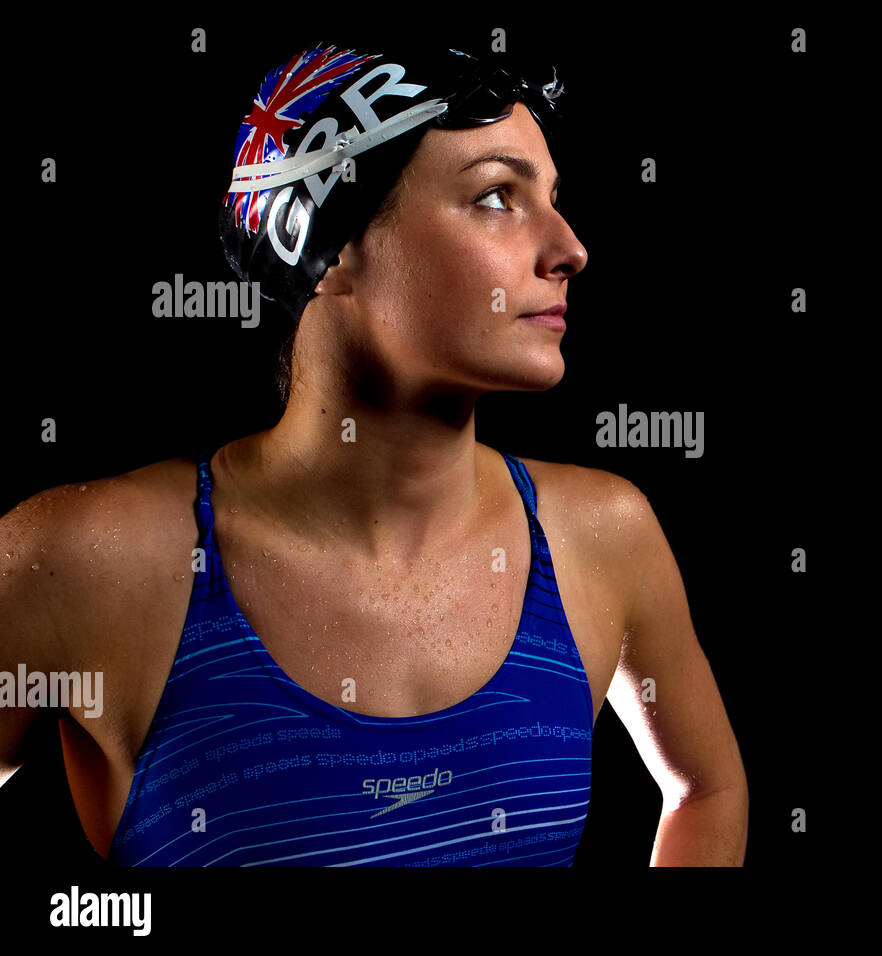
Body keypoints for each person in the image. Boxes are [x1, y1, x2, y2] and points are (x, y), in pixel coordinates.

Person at [0, 43, 747, 866]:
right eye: (498, 197)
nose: (570, 248)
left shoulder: (601, 536)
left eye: (554, 199)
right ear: (333, 249)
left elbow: (708, 789)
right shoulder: (82, 561)